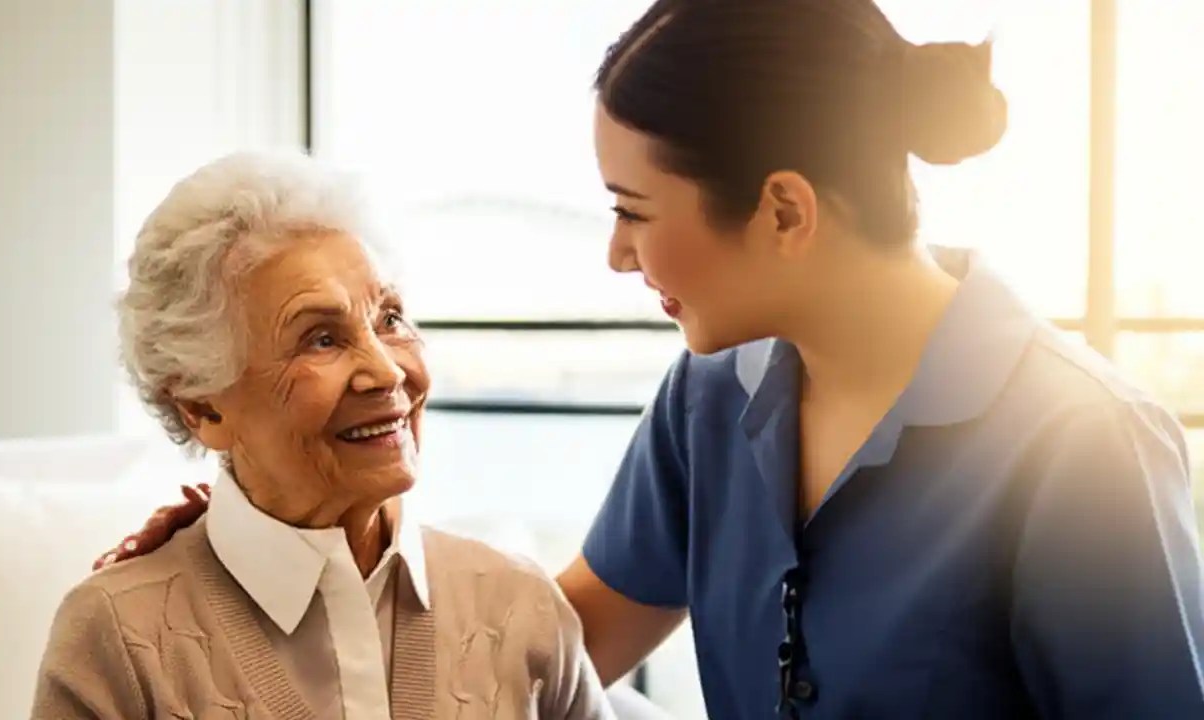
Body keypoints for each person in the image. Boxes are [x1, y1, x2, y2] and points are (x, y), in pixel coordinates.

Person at [95, 1, 1204, 718]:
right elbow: (525, 650)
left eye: (634, 209)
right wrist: (263, 541)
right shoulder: (711, 403)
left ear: (781, 210)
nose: (618, 252)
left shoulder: (1083, 451)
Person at [33, 151, 615, 719]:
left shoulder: (522, 608)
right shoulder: (118, 641)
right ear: (200, 407)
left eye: (390, 319)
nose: (387, 371)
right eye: (321, 339)